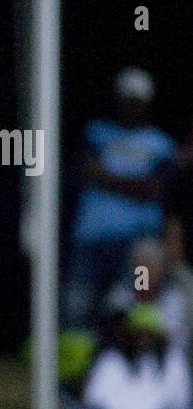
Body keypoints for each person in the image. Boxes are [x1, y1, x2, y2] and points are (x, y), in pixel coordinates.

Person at [65, 68, 176, 329]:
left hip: (138, 242)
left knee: (132, 303)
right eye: (127, 100)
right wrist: (136, 185)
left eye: (137, 102)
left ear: (147, 104)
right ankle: (78, 366)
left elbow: (155, 188)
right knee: (79, 305)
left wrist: (107, 178)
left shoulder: (161, 143)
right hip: (91, 237)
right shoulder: (96, 132)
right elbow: (86, 170)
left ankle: (128, 359)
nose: (131, 107)